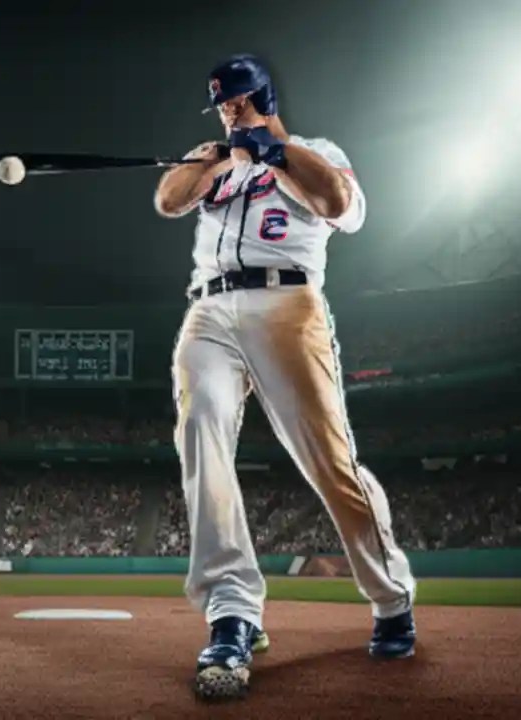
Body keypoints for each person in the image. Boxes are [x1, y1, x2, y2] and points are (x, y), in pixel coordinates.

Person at [153, 54, 417, 701]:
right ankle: (233, 608)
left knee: (329, 461)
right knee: (201, 427)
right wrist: (210, 158)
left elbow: (341, 205)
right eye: (222, 102)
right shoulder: (215, 155)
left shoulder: (314, 151)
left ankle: (390, 595)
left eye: (238, 100)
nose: (228, 110)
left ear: (262, 96)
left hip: (287, 301)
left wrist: (276, 150)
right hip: (209, 307)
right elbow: (168, 200)